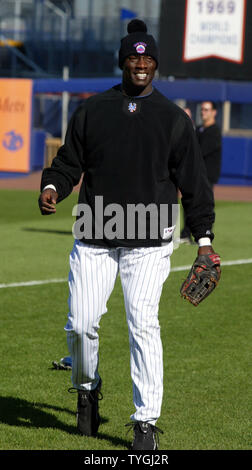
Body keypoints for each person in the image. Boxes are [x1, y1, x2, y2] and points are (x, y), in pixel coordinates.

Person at [38, 19, 217, 451]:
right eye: (135, 56)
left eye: (148, 57)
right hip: (95, 235)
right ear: (123, 61)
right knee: (81, 325)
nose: (141, 62)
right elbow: (68, 163)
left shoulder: (173, 118)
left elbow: (194, 183)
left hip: (151, 242)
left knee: (143, 326)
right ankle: (86, 390)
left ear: (155, 64)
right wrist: (52, 187)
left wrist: (205, 241)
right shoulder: (92, 111)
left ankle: (145, 422)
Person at [180, 101, 222, 244]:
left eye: (206, 109)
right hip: (195, 174)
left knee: (204, 204)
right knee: (189, 201)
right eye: (202, 109)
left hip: (207, 175)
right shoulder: (199, 129)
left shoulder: (214, 131)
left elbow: (200, 151)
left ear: (214, 112)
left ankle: (204, 234)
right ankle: (186, 233)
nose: (203, 112)